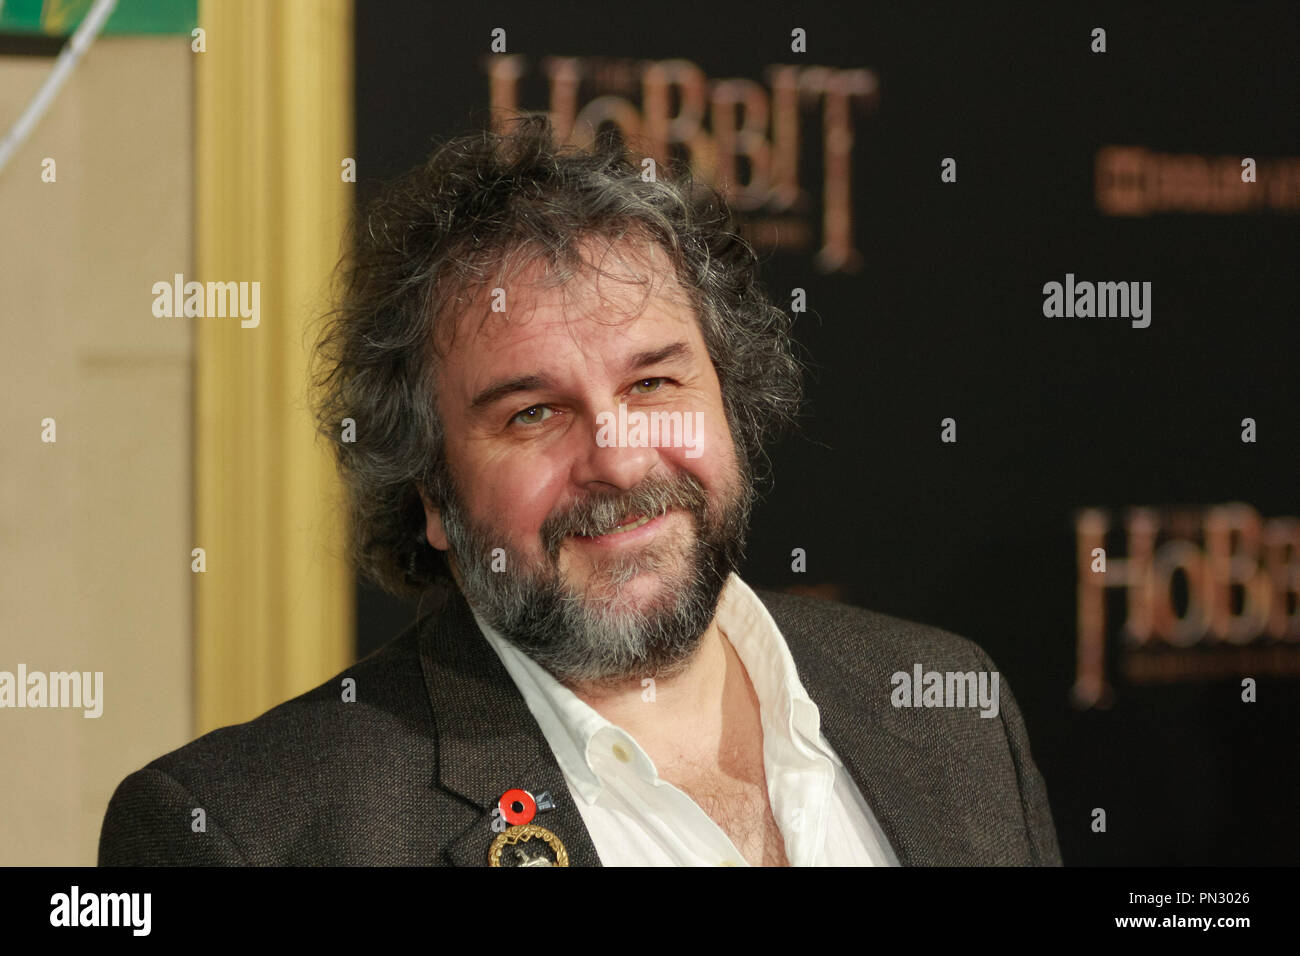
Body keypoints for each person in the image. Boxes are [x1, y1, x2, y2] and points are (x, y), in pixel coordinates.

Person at [99, 116, 1061, 867]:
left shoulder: (949, 710)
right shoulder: (246, 833)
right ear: (430, 491)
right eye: (532, 414)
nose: (619, 457)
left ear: (732, 397)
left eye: (654, 383)